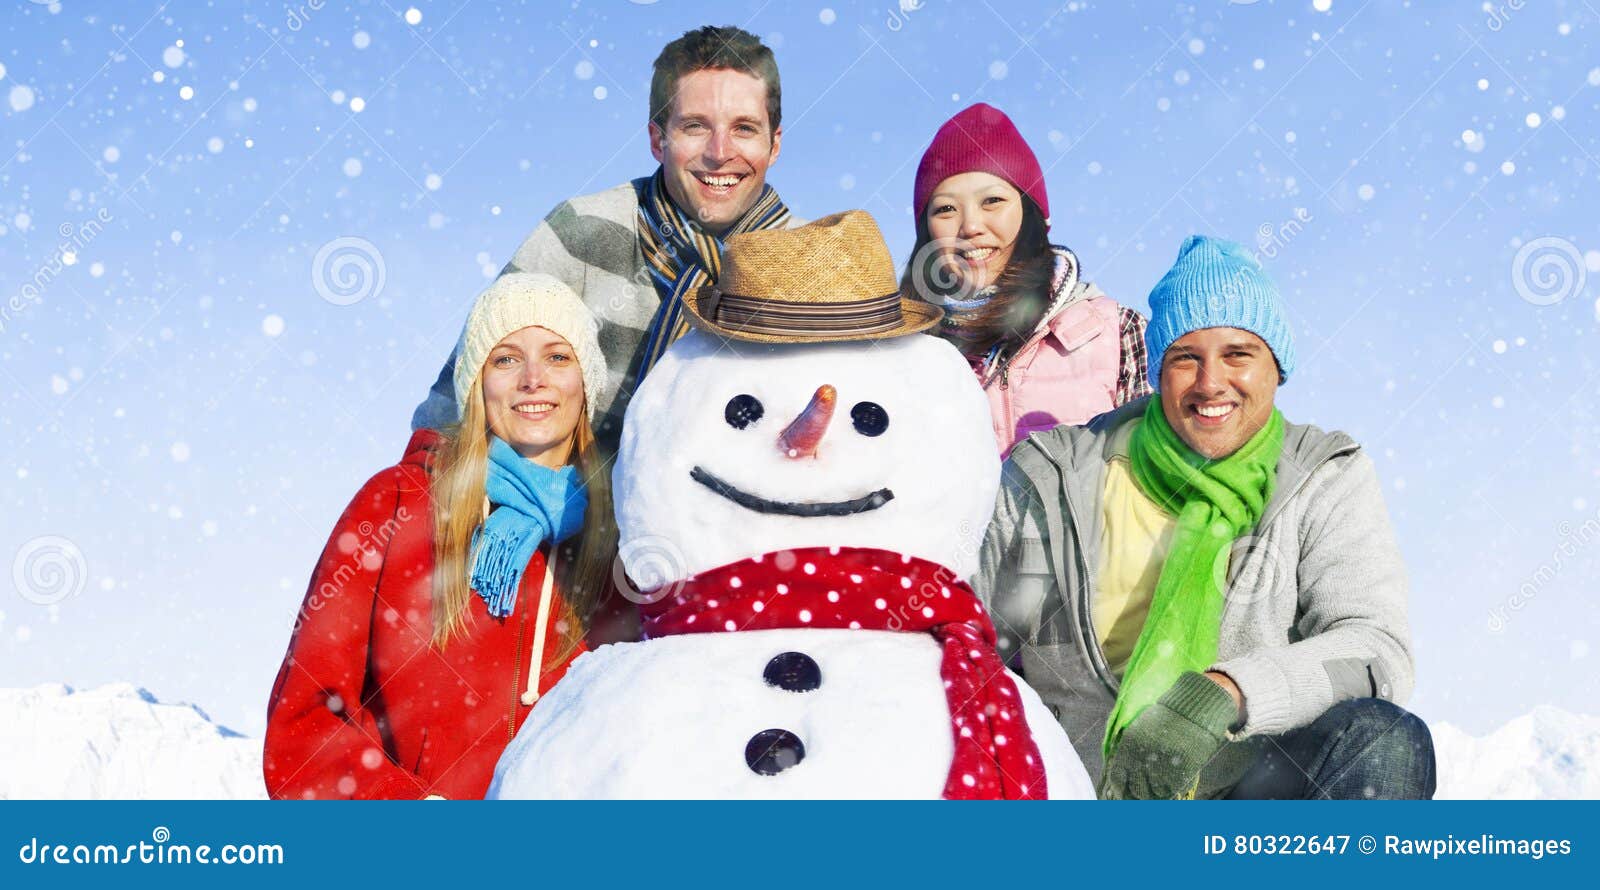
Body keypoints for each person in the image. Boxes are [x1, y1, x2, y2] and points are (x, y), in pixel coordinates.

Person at [976, 235, 1436, 800]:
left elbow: (1373, 647)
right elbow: (974, 643)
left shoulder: (1321, 478)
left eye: (1238, 354)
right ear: (1159, 369)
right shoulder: (1054, 478)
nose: (1211, 382)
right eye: (1185, 358)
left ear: (1277, 368)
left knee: (1382, 740)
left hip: (1244, 791)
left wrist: (1224, 693)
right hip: (1079, 791)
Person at [265, 273, 616, 799]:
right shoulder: (397, 504)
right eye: (505, 359)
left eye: (558, 357)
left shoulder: (621, 534)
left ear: (586, 381)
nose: (533, 379)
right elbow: (305, 722)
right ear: (476, 383)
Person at [411, 25, 804, 457]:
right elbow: (455, 405)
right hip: (583, 516)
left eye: (744, 128)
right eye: (695, 126)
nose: (719, 151)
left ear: (775, 144)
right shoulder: (582, 233)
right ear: (658, 139)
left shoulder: (813, 265)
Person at [902, 103, 1150, 455]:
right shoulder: (900, 352)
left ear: (1032, 214)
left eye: (992, 201)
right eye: (946, 209)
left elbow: (1151, 474)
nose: (970, 226)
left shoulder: (1118, 332)